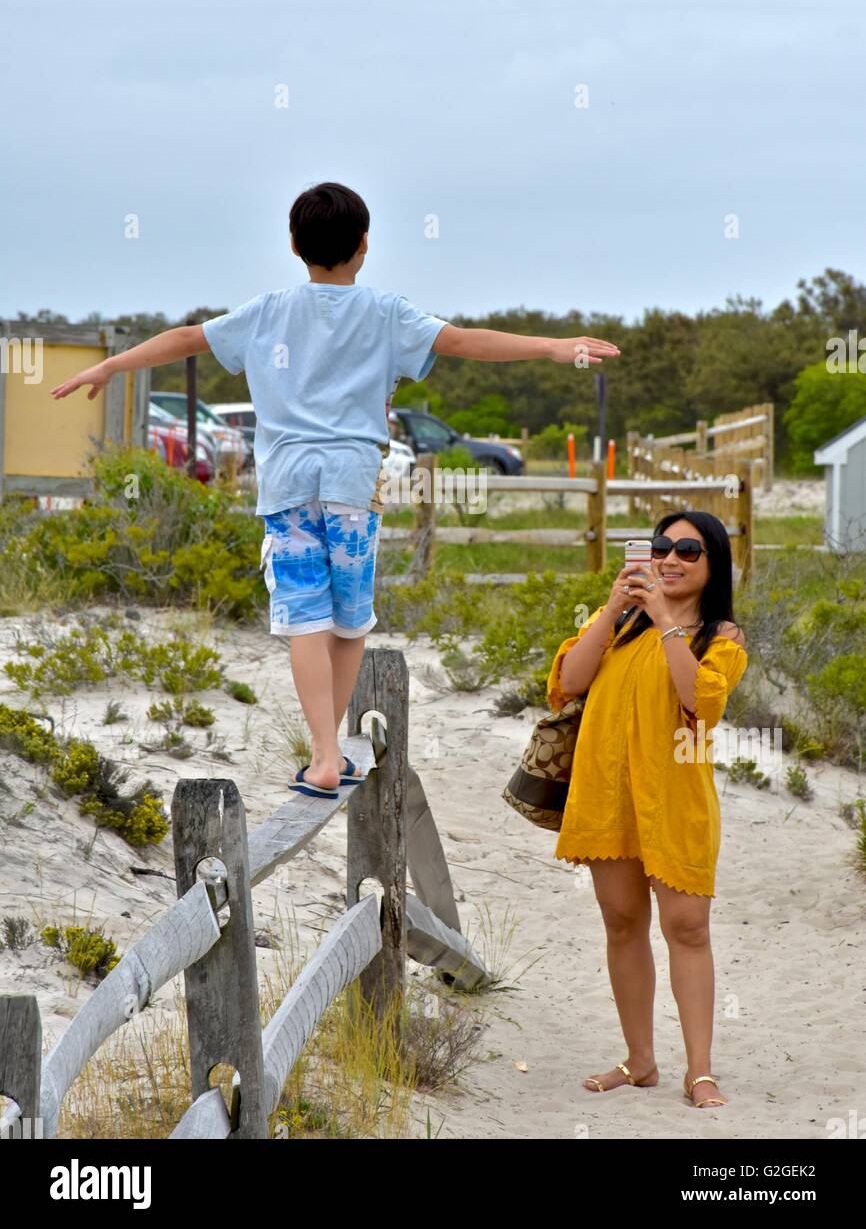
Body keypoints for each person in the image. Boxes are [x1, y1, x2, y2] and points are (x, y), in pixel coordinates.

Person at [51, 180, 620, 799]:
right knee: (350, 622)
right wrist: (555, 348)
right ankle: (332, 754)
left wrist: (111, 364)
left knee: (303, 619)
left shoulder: (268, 310)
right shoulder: (385, 311)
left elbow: (187, 338)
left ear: (294, 243)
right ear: (365, 245)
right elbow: (463, 342)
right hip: (353, 481)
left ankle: (323, 756)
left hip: (289, 483)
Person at [546, 511, 748, 1109]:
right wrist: (613, 610)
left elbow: (700, 703)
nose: (671, 559)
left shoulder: (722, 637)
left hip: (677, 800)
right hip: (610, 793)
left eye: (690, 550)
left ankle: (700, 1070)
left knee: (687, 928)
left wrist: (665, 621)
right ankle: (639, 1060)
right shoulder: (619, 622)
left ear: (713, 565)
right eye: (663, 547)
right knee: (622, 923)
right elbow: (568, 681)